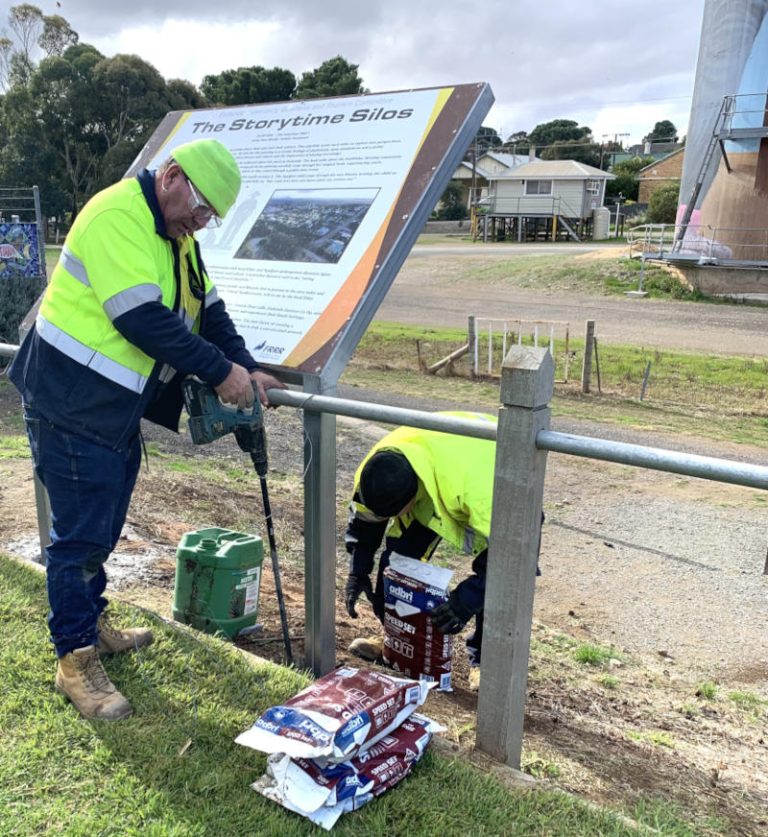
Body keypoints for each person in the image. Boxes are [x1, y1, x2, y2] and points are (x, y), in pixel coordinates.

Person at [8, 138, 283, 721]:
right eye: (201, 210)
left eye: (210, 218)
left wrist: (246, 363)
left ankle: (92, 622)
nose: (201, 225)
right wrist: (220, 371)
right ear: (173, 177)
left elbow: (206, 308)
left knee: (101, 525)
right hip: (69, 402)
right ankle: (75, 661)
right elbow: (141, 319)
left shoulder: (174, 236)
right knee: (79, 540)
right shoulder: (117, 215)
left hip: (110, 407)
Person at [343, 412, 543, 689]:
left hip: (499, 469)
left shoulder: (483, 492)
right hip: (437, 464)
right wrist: (358, 571)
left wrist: (464, 602)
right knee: (397, 560)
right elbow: (365, 523)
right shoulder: (374, 472)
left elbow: (515, 557)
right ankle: (396, 639)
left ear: (410, 500)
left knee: (495, 581)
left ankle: (487, 662)